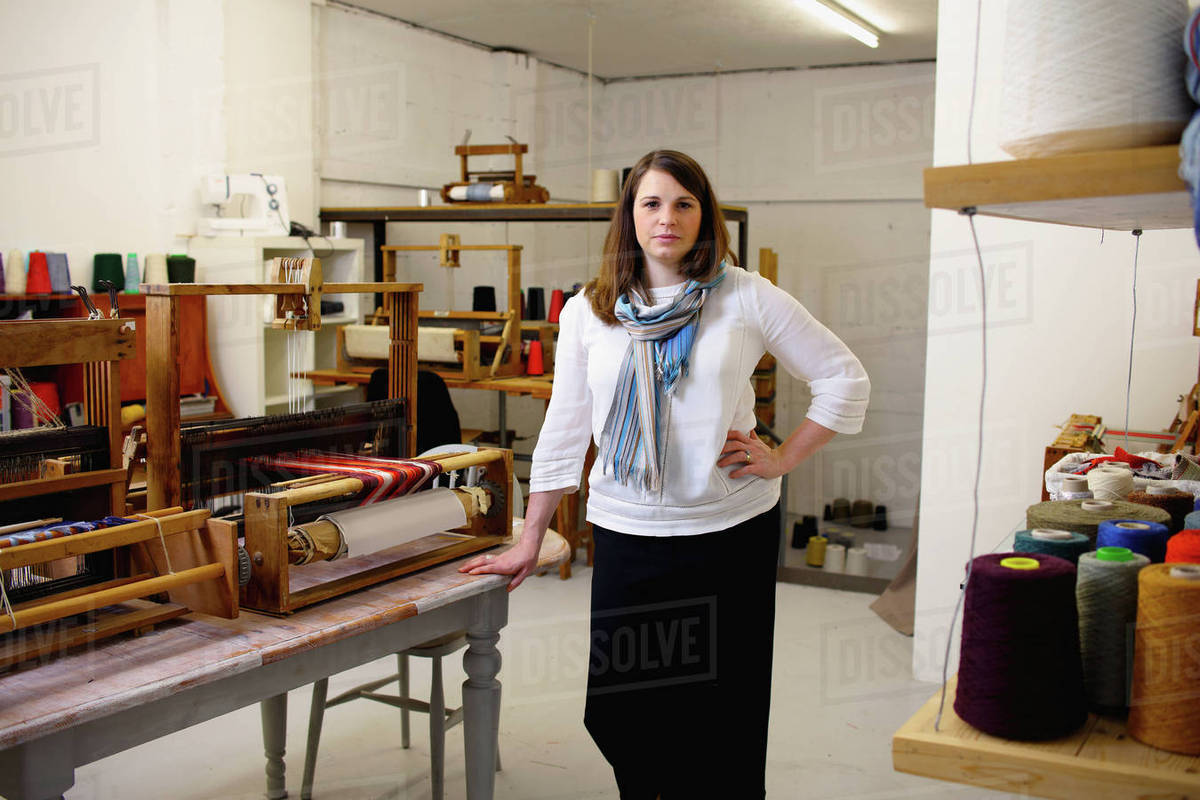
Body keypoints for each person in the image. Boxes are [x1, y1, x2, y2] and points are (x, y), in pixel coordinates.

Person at [459, 149, 870, 798]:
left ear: (704, 216)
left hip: (728, 533)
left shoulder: (743, 296)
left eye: (684, 203)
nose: (667, 218)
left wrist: (782, 457)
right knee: (623, 713)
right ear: (630, 214)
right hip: (627, 532)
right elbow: (565, 427)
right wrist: (530, 537)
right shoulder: (588, 310)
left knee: (722, 717)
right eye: (651, 203)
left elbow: (843, 378)